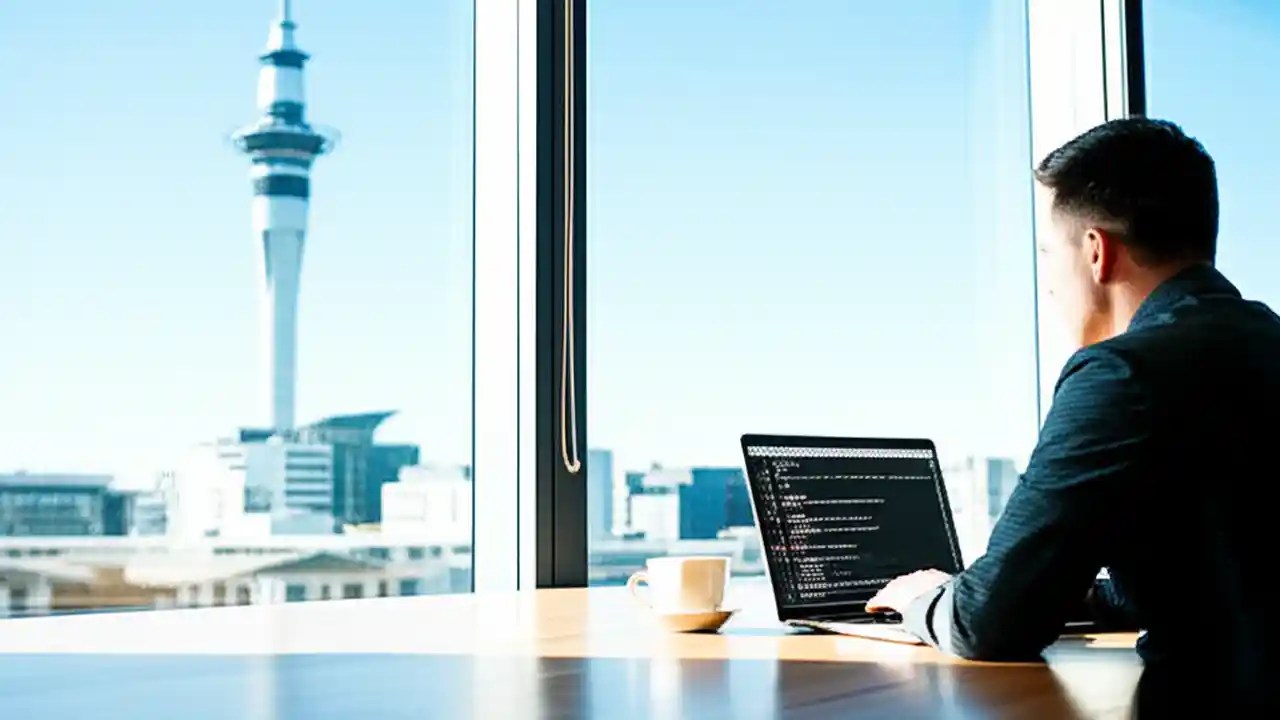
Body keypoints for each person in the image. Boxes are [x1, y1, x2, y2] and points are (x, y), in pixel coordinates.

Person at [866, 118, 1278, 711]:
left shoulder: (1124, 373)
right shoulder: (1261, 341)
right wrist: (1073, 593)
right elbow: (1232, 573)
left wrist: (925, 598)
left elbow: (988, 622)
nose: (1050, 285)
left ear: (1094, 251)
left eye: (1047, 254)